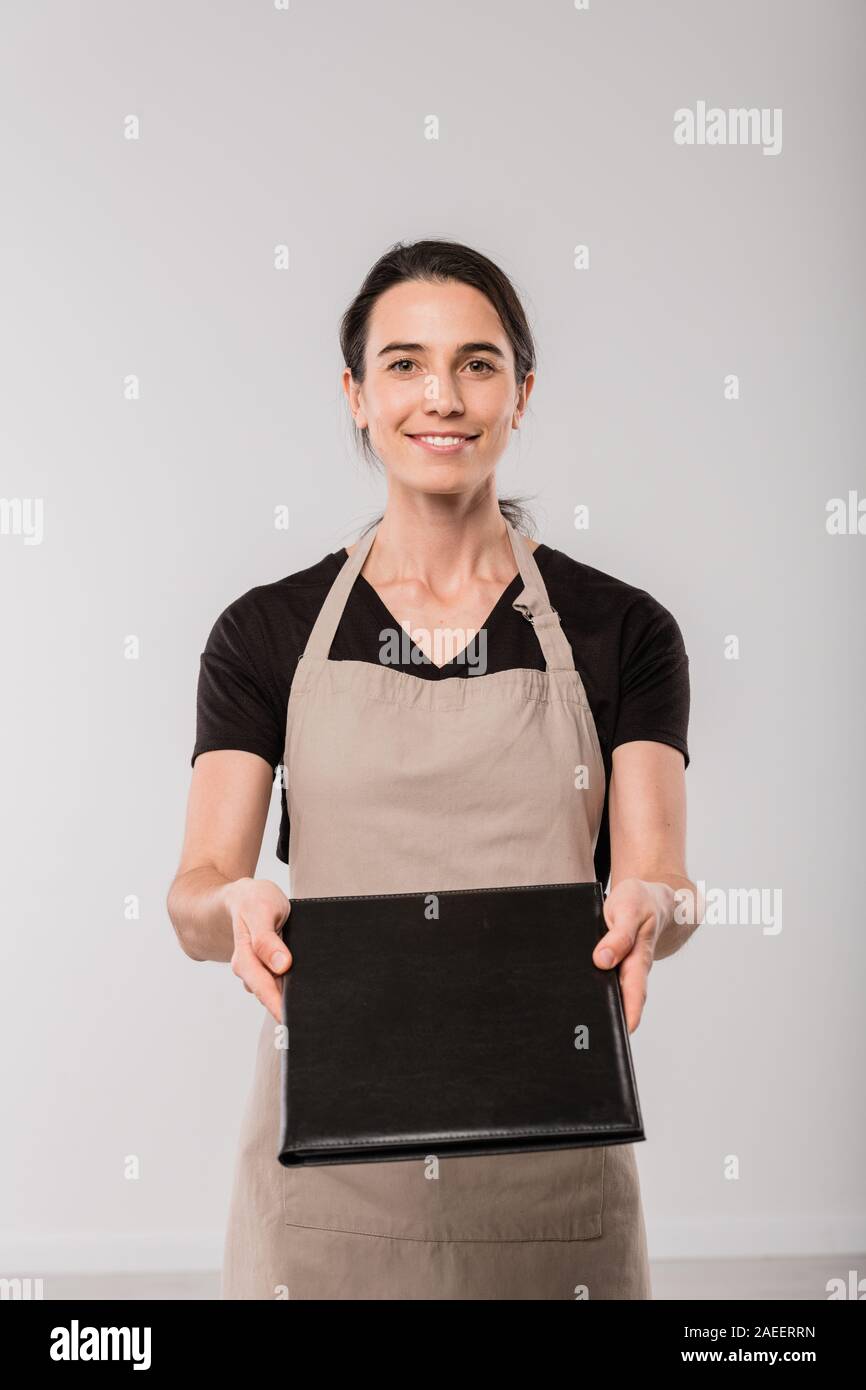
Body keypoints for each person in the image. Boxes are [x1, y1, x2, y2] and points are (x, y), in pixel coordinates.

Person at [167, 238, 699, 1300]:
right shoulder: (265, 633)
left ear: (521, 392)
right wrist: (234, 906)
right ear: (356, 395)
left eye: (477, 362)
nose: (440, 396)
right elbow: (193, 895)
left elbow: (665, 883)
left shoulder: (621, 630)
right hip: (326, 1189)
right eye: (403, 363)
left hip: (551, 1182)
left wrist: (654, 904)